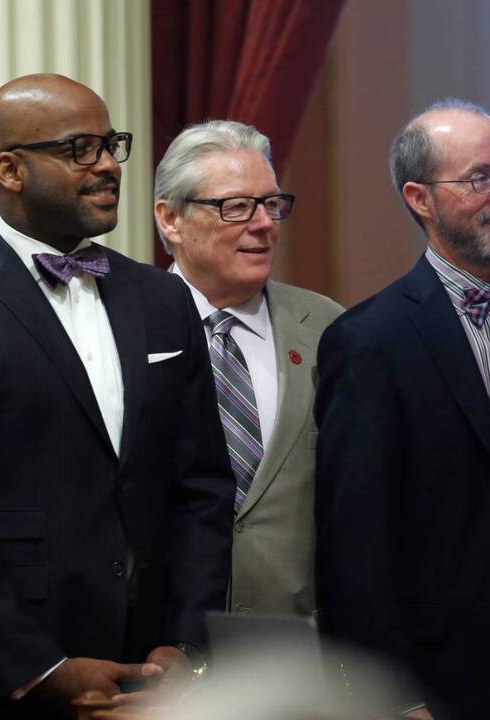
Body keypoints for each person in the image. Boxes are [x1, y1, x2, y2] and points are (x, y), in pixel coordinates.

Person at [0, 73, 234, 719]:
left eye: (109, 144)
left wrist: (183, 644)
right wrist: (38, 667)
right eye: (79, 150)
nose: (106, 166)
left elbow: (201, 487)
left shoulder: (162, 299)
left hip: (147, 681)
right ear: (10, 169)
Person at [315, 99, 490, 720]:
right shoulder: (370, 340)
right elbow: (356, 543)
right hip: (453, 670)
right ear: (420, 198)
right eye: (479, 178)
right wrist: (392, 696)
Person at [153, 120, 343, 618]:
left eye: (272, 204)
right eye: (236, 207)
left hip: (298, 643)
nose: (263, 224)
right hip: (158, 643)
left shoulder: (329, 328)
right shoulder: (126, 326)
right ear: (170, 219)